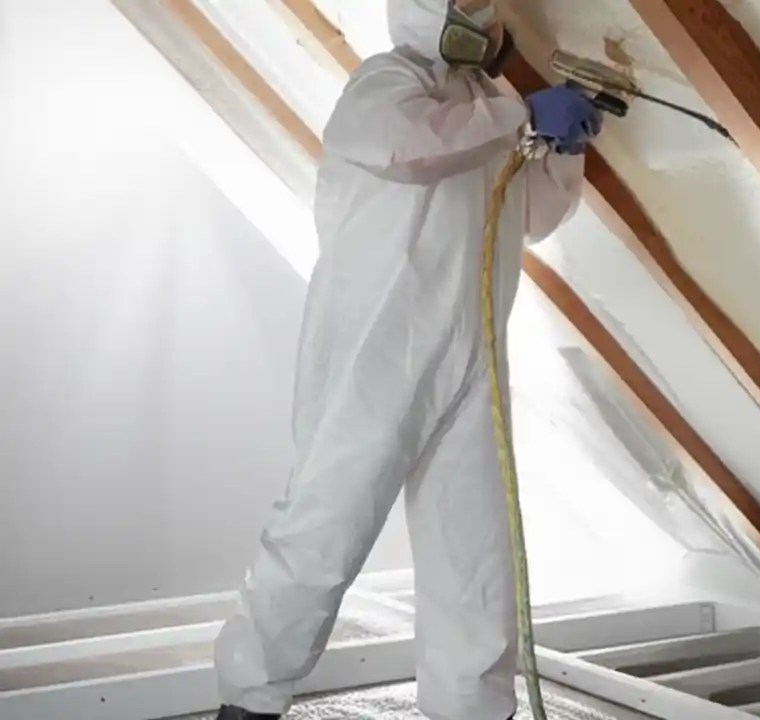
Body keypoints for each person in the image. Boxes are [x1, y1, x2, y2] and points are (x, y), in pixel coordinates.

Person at [212, 1, 603, 718]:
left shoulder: (489, 106)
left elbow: (528, 219)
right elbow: (409, 149)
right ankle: (249, 698)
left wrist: (564, 149)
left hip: (471, 357)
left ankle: (471, 708)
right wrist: (521, 115)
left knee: (474, 556)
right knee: (325, 530)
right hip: (376, 353)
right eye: (465, 4)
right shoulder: (384, 85)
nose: (481, 21)